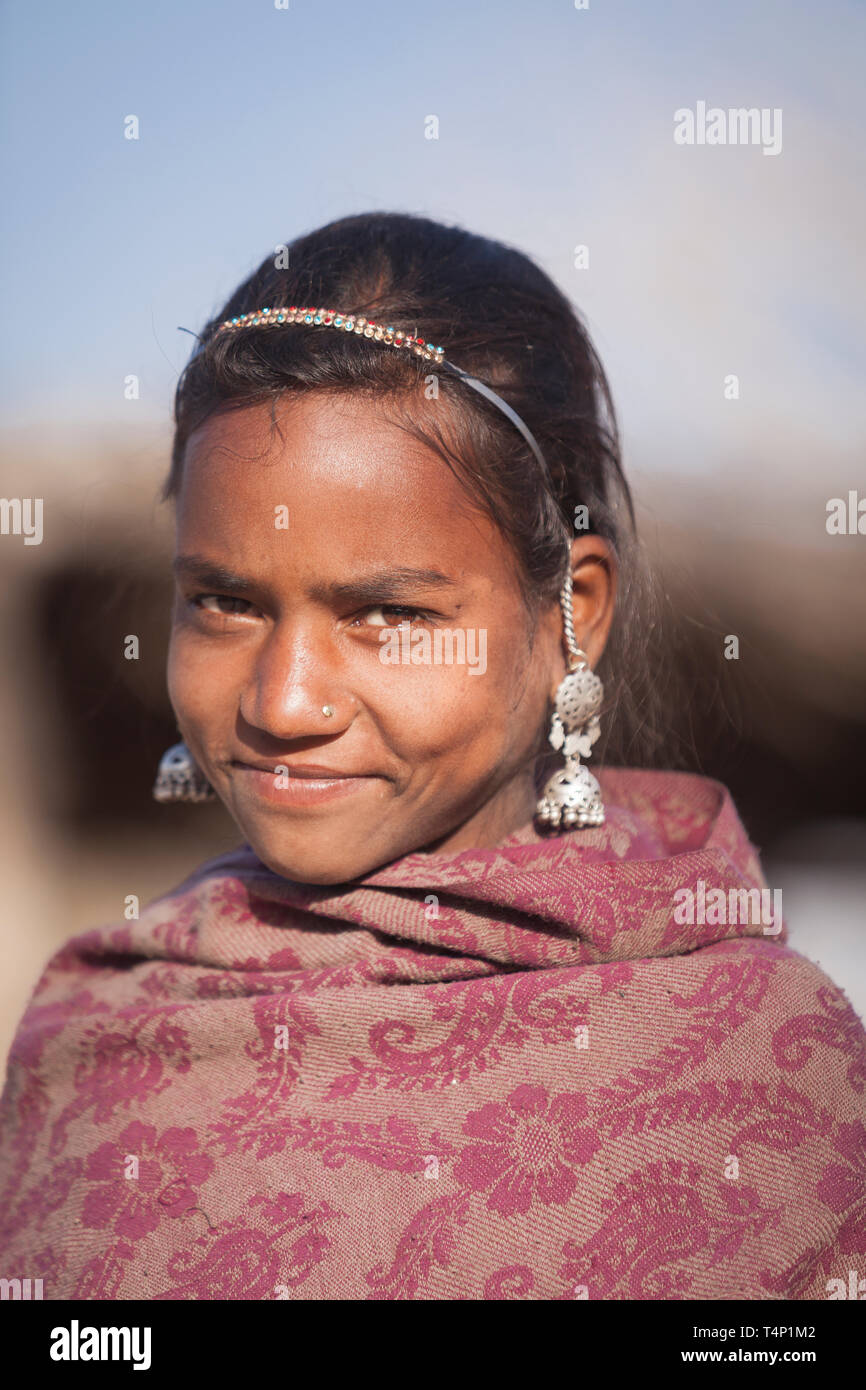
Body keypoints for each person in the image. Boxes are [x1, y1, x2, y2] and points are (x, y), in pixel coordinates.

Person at [0, 212, 863, 1300]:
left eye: (386, 614)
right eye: (222, 602)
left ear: (571, 617)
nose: (284, 699)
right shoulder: (99, 1047)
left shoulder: (763, 1068)